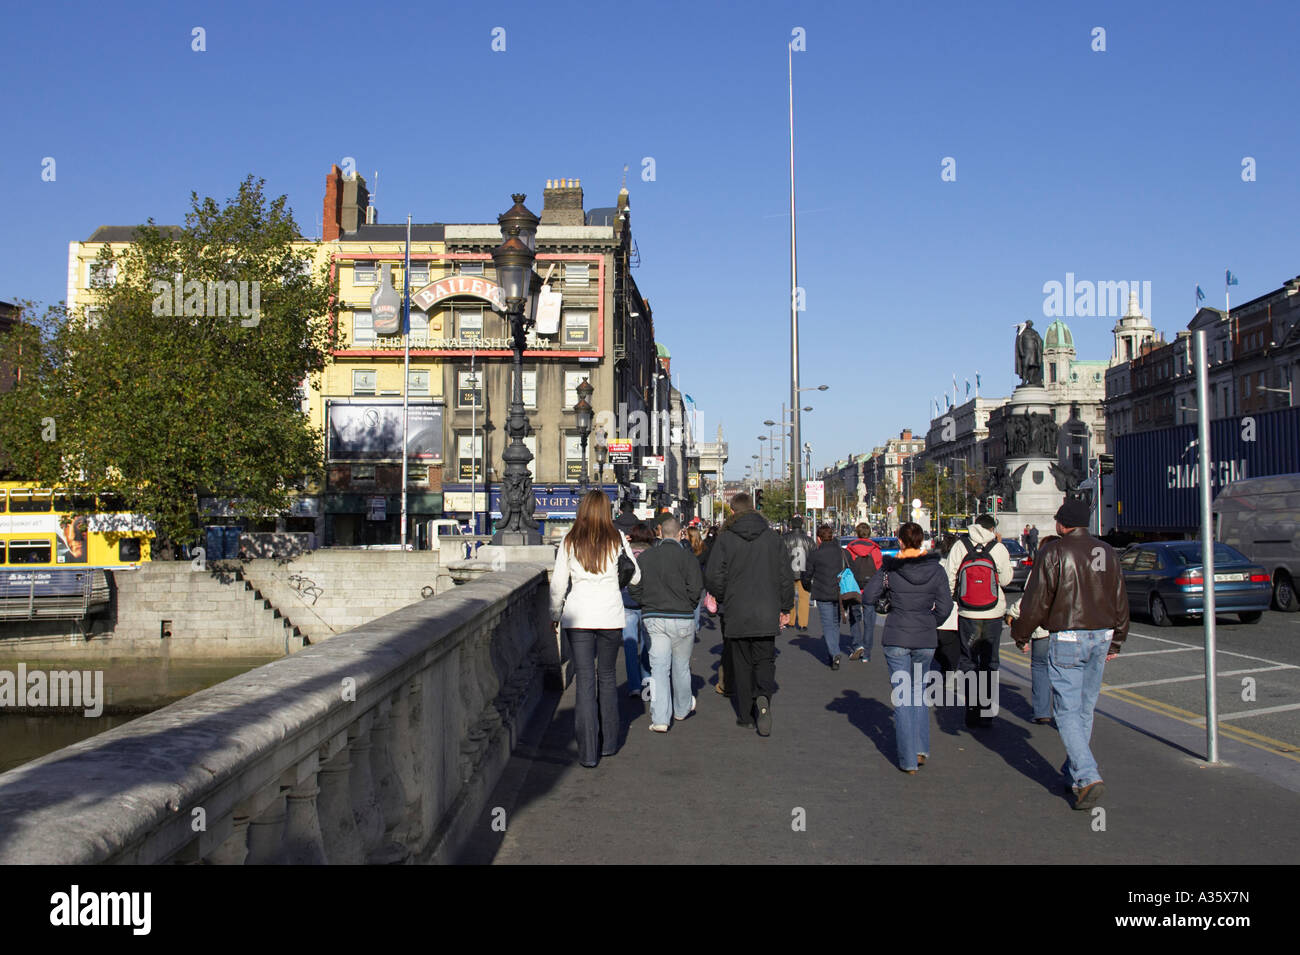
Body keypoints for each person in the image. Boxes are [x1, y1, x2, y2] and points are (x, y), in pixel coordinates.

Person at [1012, 500, 1128, 810]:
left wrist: (1021, 633)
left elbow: (1036, 599)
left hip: (1068, 636)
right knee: (1085, 708)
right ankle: (1075, 773)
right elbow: (1118, 595)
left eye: (1057, 521)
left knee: (1065, 709)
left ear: (1064, 524)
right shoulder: (1105, 551)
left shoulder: (1054, 552)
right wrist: (1117, 639)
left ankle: (1087, 774)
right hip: (1102, 634)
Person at [550, 490, 641, 768]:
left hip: (578, 617)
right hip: (610, 616)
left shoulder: (570, 540)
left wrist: (554, 612)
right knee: (608, 677)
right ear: (606, 511)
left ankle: (588, 751)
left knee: (585, 681)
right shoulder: (616, 539)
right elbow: (636, 576)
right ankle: (610, 742)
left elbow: (558, 584)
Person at [861, 522, 953, 774]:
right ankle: (921, 749)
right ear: (922, 541)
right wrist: (930, 623)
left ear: (900, 542)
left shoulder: (891, 569)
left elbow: (868, 596)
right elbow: (945, 606)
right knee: (919, 693)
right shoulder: (936, 569)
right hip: (925, 638)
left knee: (903, 698)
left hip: (897, 635)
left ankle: (908, 760)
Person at [705, 493, 794, 736]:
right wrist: (785, 608)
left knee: (741, 663)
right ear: (754, 510)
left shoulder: (725, 539)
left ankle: (744, 714)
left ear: (732, 512)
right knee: (765, 659)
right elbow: (785, 577)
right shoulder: (772, 538)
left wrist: (724, 596)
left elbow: (713, 576)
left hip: (736, 610)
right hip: (767, 609)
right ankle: (763, 699)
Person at [629, 514, 704, 732]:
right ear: (680, 534)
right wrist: (688, 604)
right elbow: (696, 588)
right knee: (681, 667)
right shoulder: (688, 558)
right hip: (681, 617)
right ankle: (681, 709)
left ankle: (660, 718)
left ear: (660, 533)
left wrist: (646, 602)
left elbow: (634, 585)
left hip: (654, 616)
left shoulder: (647, 557)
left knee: (659, 668)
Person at [944, 514, 1014, 728]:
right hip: (993, 613)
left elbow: (949, 576)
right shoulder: (998, 548)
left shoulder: (960, 546)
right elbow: (1006, 579)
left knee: (968, 661)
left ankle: (972, 711)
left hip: (967, 613)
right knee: (990, 661)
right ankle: (986, 711)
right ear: (992, 529)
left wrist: (957, 598)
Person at [1006, 534, 1057, 724]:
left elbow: (1029, 602)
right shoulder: (1069, 569)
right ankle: (1064, 713)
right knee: (1062, 672)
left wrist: (1012, 616)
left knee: (1040, 667)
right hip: (1064, 629)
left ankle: (1042, 711)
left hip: (1043, 630)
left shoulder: (1039, 572)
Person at [802, 525, 853, 669]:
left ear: (819, 538)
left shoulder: (815, 554)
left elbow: (807, 575)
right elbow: (851, 568)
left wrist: (808, 587)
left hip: (823, 593)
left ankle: (834, 652)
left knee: (827, 624)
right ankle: (833, 652)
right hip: (840, 592)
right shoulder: (842, 552)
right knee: (835, 623)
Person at [621, 522, 656, 698]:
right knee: (648, 647)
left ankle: (634, 686)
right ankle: (648, 687)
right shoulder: (653, 554)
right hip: (647, 603)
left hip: (627, 601)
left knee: (629, 646)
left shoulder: (625, 551)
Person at [844, 523, 883, 663]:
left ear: (857, 533)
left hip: (855, 587)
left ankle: (857, 644)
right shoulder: (875, 549)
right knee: (869, 620)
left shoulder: (850, 549)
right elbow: (879, 570)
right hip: (871, 588)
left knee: (854, 617)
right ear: (870, 533)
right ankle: (867, 652)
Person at [781, 516, 815, 631]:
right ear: (802, 525)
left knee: (789, 597)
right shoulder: (809, 540)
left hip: (788, 572)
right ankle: (803, 623)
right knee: (804, 598)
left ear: (791, 526)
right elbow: (813, 557)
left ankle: (791, 620)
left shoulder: (784, 539)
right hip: (804, 572)